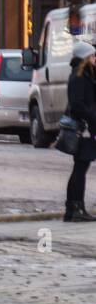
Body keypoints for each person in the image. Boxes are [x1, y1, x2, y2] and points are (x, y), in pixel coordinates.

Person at [64, 41, 96, 221]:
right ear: (85, 58)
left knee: (81, 168)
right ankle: (74, 208)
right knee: (80, 168)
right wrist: (92, 117)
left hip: (85, 127)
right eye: (92, 56)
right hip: (83, 129)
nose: (95, 59)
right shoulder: (79, 77)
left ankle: (75, 207)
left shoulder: (85, 75)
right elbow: (77, 104)